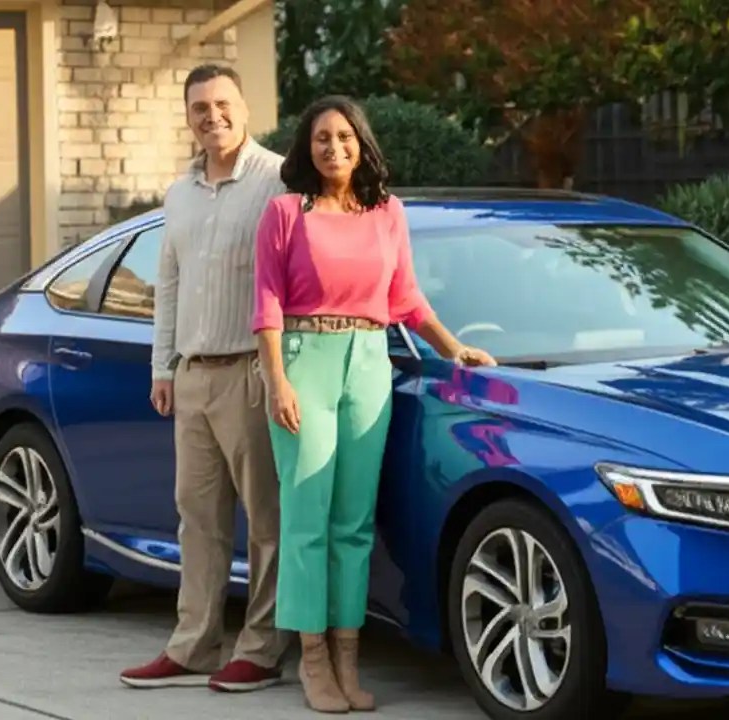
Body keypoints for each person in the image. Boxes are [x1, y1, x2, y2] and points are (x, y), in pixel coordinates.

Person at [252, 95, 496, 712]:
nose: (334, 148)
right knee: (307, 517)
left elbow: (406, 295)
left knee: (354, 523)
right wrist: (276, 379)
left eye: (344, 137)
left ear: (361, 143)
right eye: (321, 138)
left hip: (368, 363)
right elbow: (267, 303)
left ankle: (347, 659)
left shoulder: (387, 212)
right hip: (305, 358)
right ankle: (312, 661)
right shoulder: (285, 213)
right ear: (306, 149)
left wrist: (452, 345)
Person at [120, 64, 289, 693]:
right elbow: (170, 283)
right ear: (187, 117)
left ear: (244, 108)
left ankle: (264, 648)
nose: (211, 116)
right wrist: (163, 366)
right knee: (198, 520)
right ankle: (193, 644)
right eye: (198, 108)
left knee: (265, 521)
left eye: (222, 104)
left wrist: (279, 375)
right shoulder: (178, 193)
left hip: (252, 372)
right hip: (192, 377)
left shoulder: (277, 182)